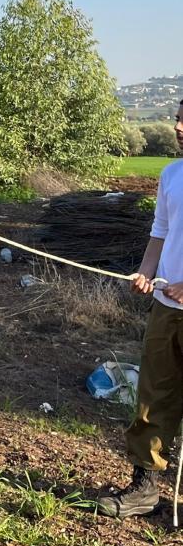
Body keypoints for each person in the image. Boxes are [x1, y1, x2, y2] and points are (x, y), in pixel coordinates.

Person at [97, 101, 183, 517]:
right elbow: (159, 235)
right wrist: (146, 273)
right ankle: (145, 486)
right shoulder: (171, 175)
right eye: (178, 116)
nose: (179, 125)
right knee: (154, 395)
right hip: (167, 307)